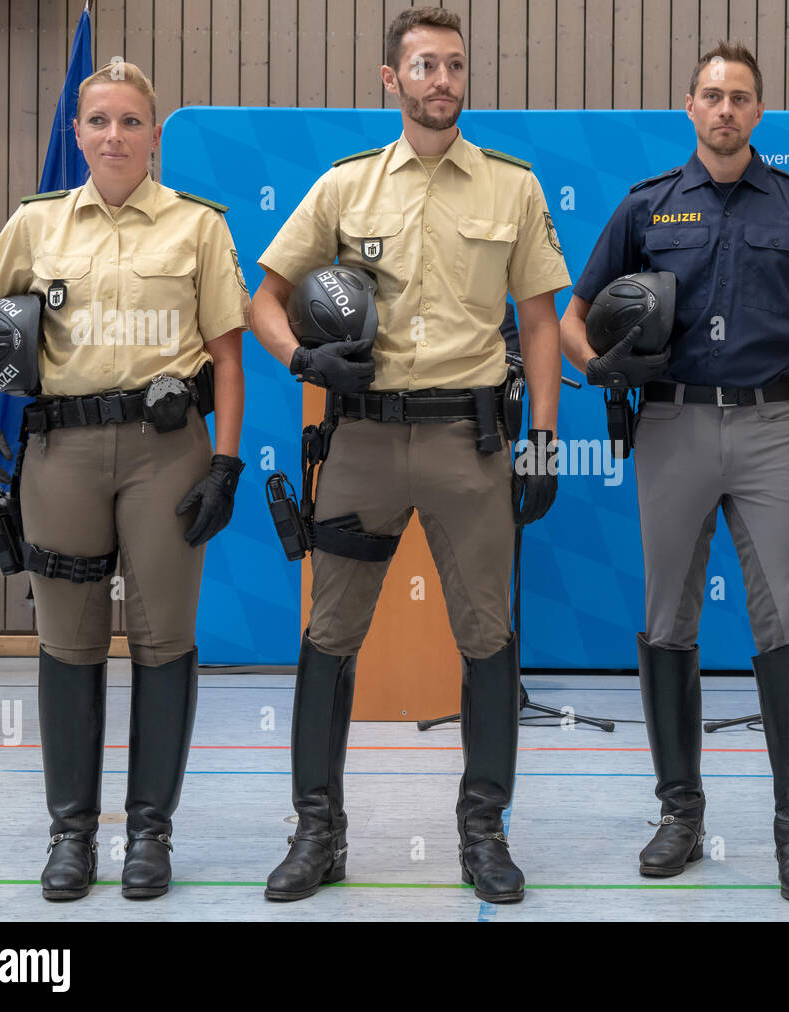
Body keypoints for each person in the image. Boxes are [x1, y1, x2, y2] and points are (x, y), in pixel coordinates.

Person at [250, 6, 569, 905]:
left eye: (455, 66)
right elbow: (262, 297)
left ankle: (483, 833)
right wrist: (298, 357)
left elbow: (541, 321)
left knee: (489, 640)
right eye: (424, 66)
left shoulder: (513, 187)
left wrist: (542, 437)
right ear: (392, 79)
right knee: (328, 637)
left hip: (472, 446)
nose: (442, 81)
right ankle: (318, 832)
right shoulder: (346, 187)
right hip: (362, 445)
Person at [560, 42, 789, 902]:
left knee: (784, 628)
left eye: (741, 98)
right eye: (712, 96)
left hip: (771, 427)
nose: (725, 110)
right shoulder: (645, 206)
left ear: (758, 113)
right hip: (671, 427)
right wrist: (598, 368)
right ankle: (678, 816)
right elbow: (575, 317)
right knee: (667, 623)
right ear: (688, 107)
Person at [0, 62, 249, 901]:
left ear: (156, 135)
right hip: (62, 457)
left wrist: (224, 462)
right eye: (99, 121)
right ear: (77, 134)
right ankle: (71, 837)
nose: (114, 135)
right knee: (68, 643)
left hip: (166, 454)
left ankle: (150, 834)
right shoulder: (37, 225)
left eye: (130, 121)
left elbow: (228, 358)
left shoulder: (198, 228)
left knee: (165, 641)